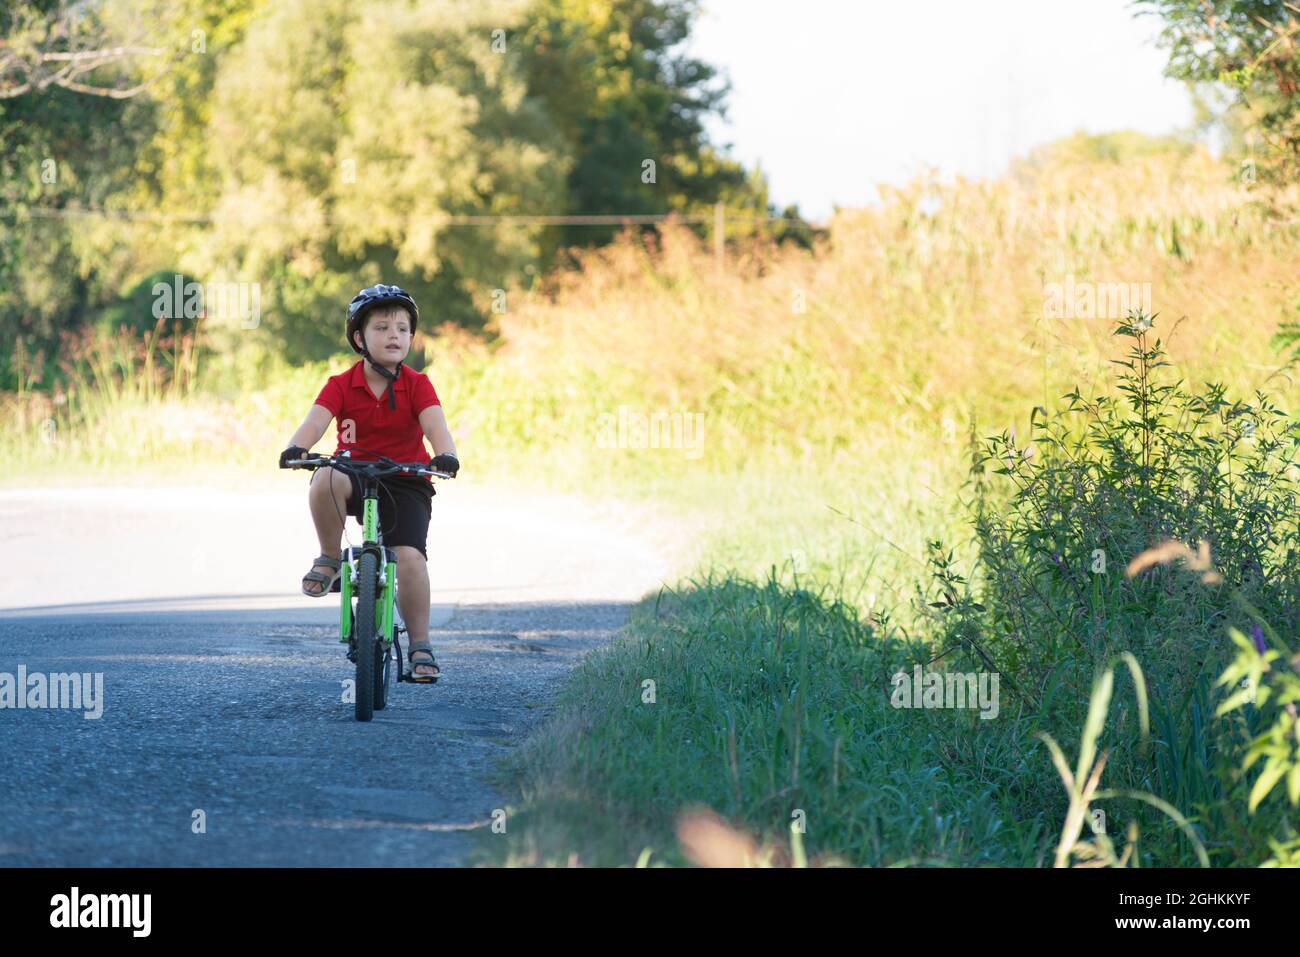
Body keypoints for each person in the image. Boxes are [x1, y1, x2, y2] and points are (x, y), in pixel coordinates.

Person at [278, 284, 459, 681]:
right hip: (354, 473)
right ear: (359, 338)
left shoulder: (418, 384)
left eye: (402, 328)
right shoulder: (341, 384)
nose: (394, 335)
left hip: (406, 478)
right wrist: (297, 447)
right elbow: (315, 422)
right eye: (381, 327)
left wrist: (446, 454)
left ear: (411, 337)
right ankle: (329, 559)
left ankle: (420, 646)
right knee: (324, 475)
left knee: (409, 558)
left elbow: (436, 427)